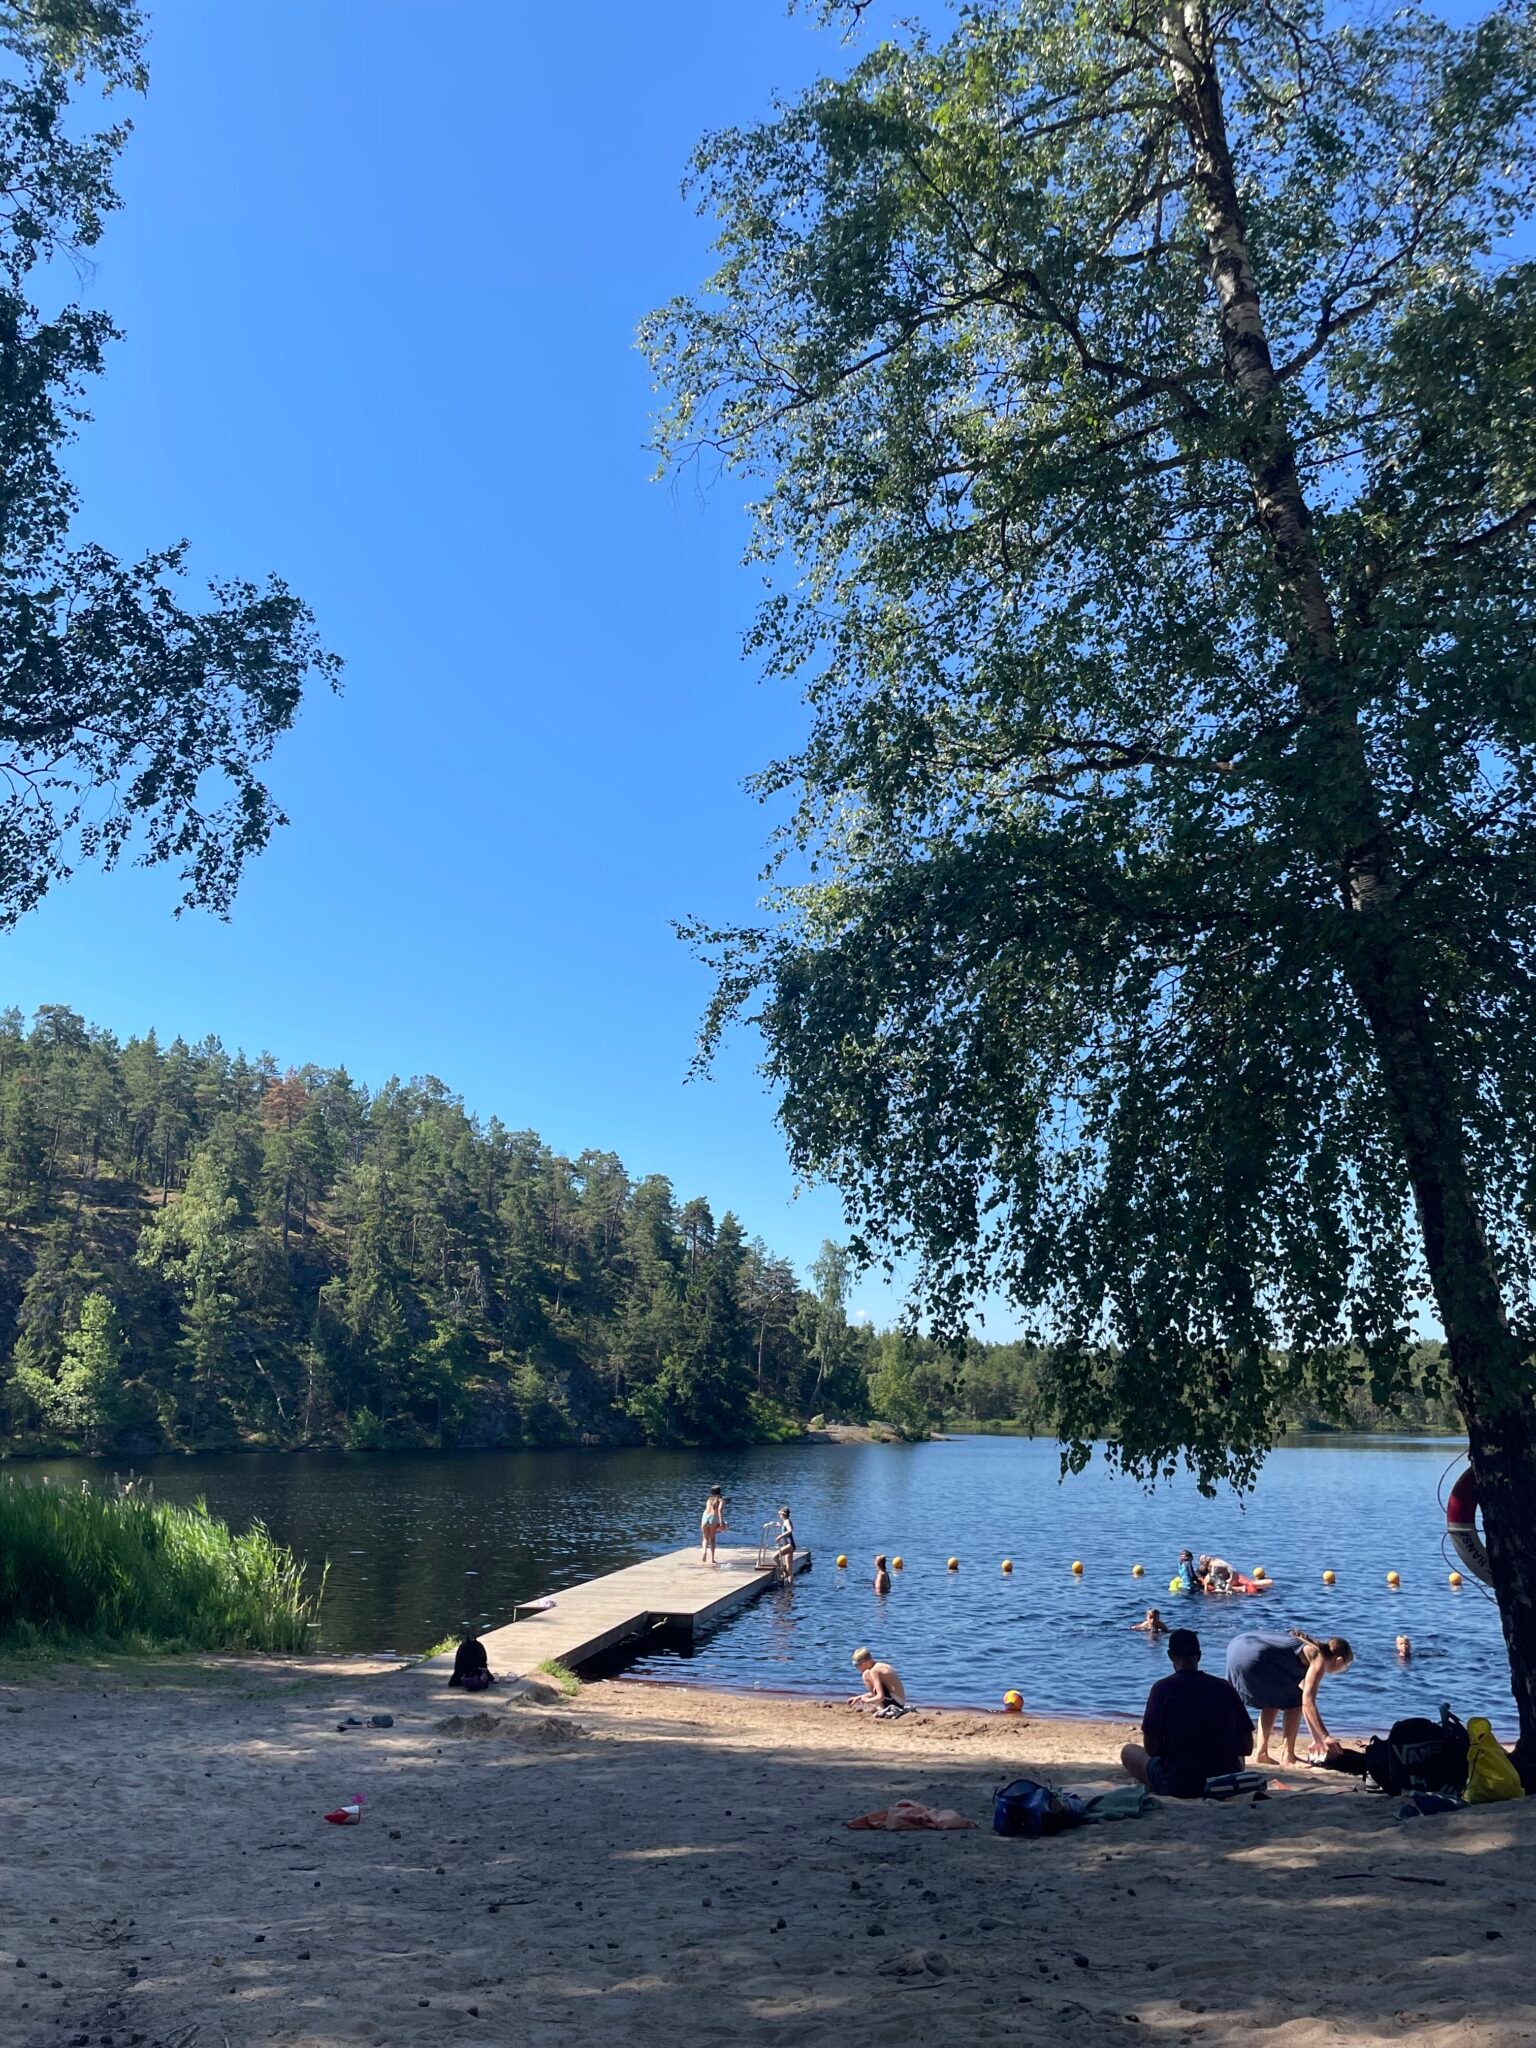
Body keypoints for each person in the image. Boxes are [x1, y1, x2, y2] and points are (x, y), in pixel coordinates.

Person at [1120, 1627, 1254, 1797]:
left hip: (1179, 1782)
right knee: (1234, 1756)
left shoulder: (1162, 1689)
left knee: (1129, 1751)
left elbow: (1152, 1748)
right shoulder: (1224, 1687)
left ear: (1170, 1655)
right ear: (1199, 1655)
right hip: (1225, 1778)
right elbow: (1247, 1746)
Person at [1225, 1627, 1354, 1765]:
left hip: (1237, 1646)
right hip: (1253, 1657)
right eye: (1345, 1667)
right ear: (1339, 1660)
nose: (1341, 1671)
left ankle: (1261, 1753)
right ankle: (1288, 1755)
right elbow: (1307, 1703)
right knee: (1294, 1700)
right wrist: (1325, 1737)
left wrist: (1317, 1739)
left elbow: (1305, 1705)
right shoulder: (1319, 1658)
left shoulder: (1309, 1646)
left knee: (1277, 1698)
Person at [699, 1485, 727, 1567]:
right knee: (712, 1539)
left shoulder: (709, 1500)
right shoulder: (721, 1500)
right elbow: (719, 1510)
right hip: (713, 1517)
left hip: (705, 1517)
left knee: (705, 1538)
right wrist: (721, 1522)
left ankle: (704, 1552)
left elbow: (707, 1509)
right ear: (720, 1491)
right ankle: (712, 1559)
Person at [774, 1505, 796, 1581]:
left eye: (780, 1514)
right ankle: (790, 1586)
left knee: (775, 1557)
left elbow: (790, 1530)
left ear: (783, 1514)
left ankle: (785, 1573)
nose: (779, 1516)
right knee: (789, 1568)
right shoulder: (785, 1522)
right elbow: (785, 1528)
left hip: (790, 1546)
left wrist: (780, 1536)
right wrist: (780, 1526)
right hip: (789, 1545)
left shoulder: (787, 1521)